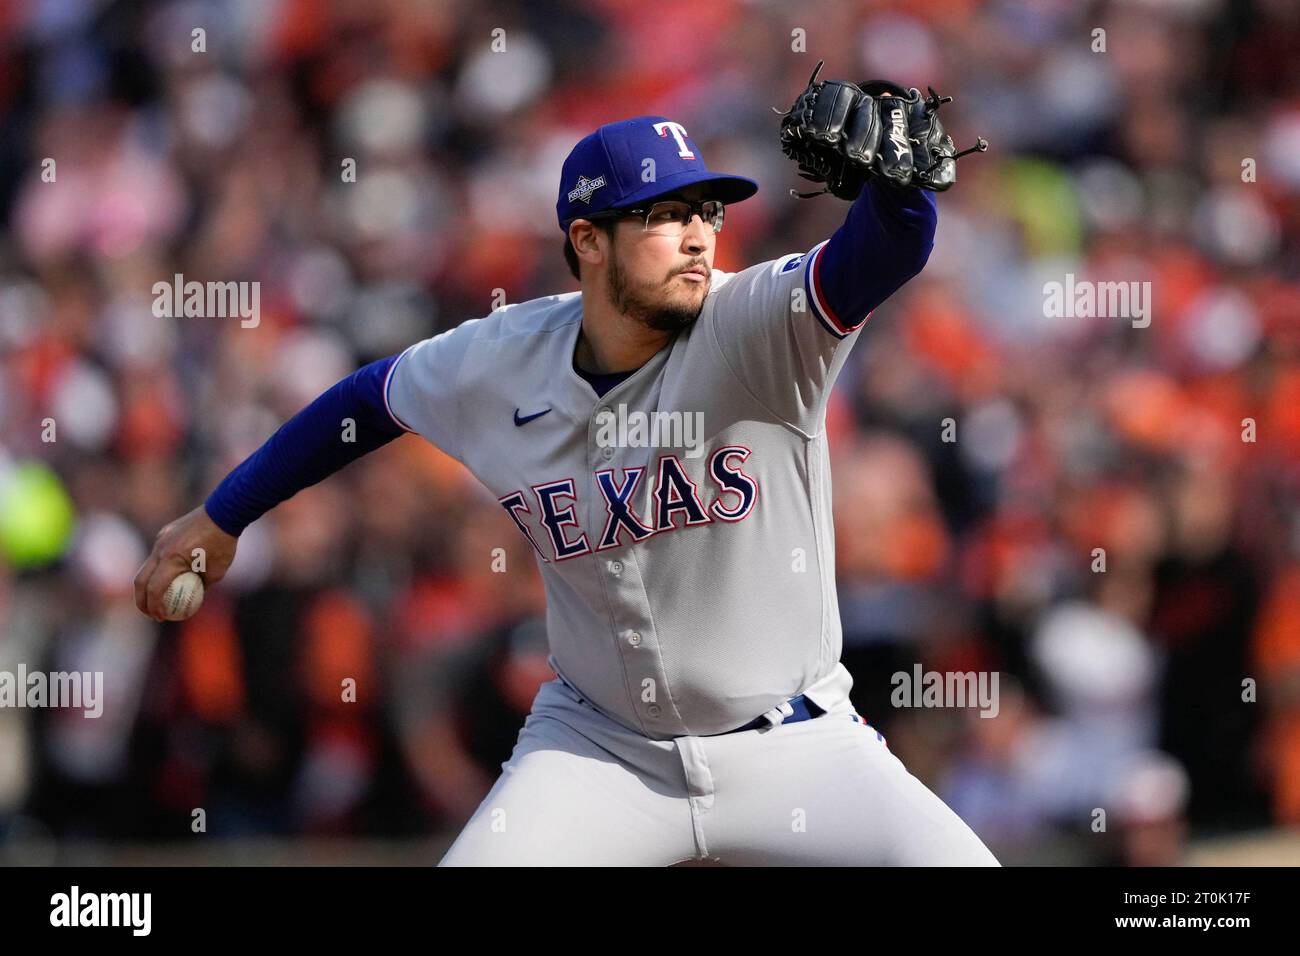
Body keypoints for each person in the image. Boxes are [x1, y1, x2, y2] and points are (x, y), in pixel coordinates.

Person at [135, 109, 999, 866]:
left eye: (705, 211)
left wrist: (901, 189)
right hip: (601, 752)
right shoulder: (501, 358)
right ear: (588, 240)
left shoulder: (754, 325)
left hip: (795, 742)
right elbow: (365, 402)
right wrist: (223, 515)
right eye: (663, 216)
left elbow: (882, 253)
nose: (699, 235)